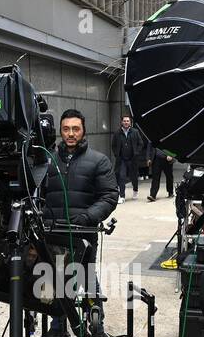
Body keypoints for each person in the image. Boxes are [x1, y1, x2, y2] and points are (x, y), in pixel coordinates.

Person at [44, 108, 118, 304]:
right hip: (53, 234)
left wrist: (87, 217)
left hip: (83, 234)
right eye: (66, 129)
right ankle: (59, 327)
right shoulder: (47, 160)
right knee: (57, 283)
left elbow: (110, 196)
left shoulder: (99, 160)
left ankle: (96, 324)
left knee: (87, 279)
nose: (70, 133)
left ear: (83, 130)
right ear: (60, 131)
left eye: (75, 129)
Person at [110, 114, 144, 201]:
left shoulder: (135, 132)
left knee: (134, 177)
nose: (126, 122)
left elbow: (141, 144)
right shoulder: (117, 133)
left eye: (127, 121)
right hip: (122, 159)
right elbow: (113, 145)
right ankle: (122, 196)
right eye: (124, 121)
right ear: (121, 122)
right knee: (121, 177)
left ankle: (135, 190)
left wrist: (136, 152)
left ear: (130, 122)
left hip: (132, 159)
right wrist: (116, 154)